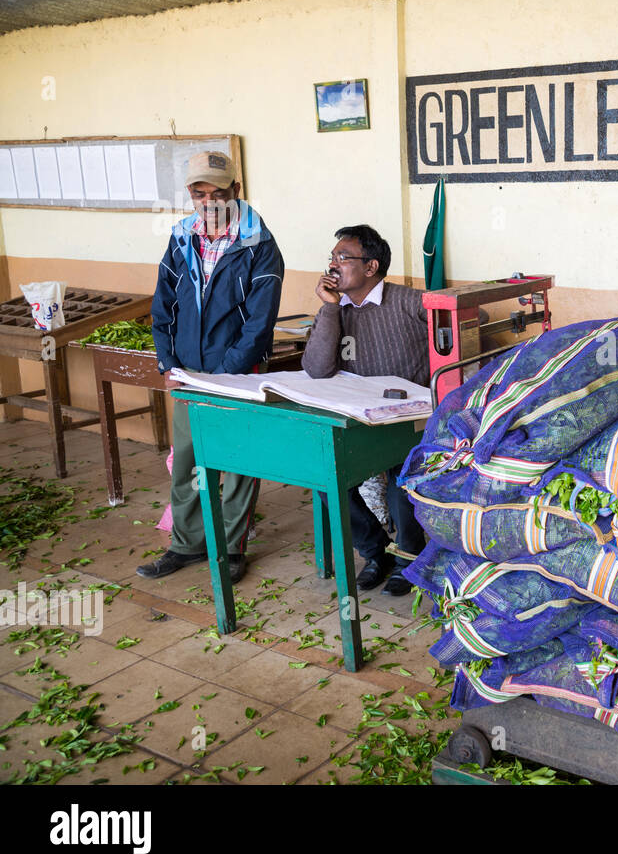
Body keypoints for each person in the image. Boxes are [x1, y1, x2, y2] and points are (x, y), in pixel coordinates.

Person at [139, 151, 284, 584]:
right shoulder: (181, 237)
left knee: (237, 462)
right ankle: (186, 545)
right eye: (199, 194)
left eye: (217, 194)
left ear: (236, 192)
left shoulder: (259, 244)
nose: (208, 202)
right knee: (188, 460)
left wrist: (226, 371)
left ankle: (232, 548)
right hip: (186, 372)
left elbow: (260, 322)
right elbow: (162, 304)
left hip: (234, 374)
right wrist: (168, 360)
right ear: (190, 195)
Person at [301, 224, 428, 595]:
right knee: (328, 480)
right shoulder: (335, 309)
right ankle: (377, 553)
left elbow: (468, 321)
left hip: (408, 420)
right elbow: (317, 368)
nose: (333, 265)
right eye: (332, 258)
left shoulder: (407, 300)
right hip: (359, 419)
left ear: (370, 267)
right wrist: (329, 309)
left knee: (399, 489)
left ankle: (409, 560)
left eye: (343, 258)